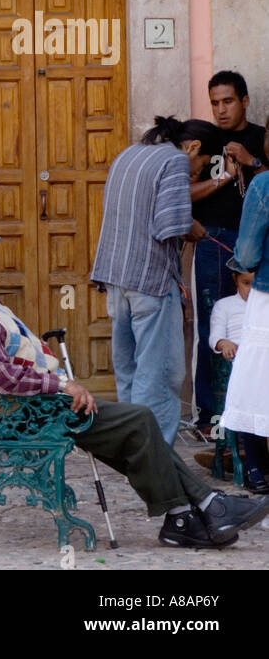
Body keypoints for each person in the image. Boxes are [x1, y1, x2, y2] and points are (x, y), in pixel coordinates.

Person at [0, 218, 269, 548]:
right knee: (137, 422)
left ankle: (191, 514)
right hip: (27, 413)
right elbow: (0, 376)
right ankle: (198, 510)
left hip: (28, 408)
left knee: (135, 428)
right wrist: (62, 385)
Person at [91, 116, 221, 444]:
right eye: (202, 165)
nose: (197, 174)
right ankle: (155, 457)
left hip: (115, 277)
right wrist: (192, 228)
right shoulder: (176, 159)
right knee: (160, 375)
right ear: (194, 147)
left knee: (130, 373)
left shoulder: (129, 154)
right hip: (150, 280)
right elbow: (169, 226)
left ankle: (131, 447)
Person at [190, 71, 267, 433]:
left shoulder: (259, 138)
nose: (221, 110)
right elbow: (184, 192)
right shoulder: (205, 139)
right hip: (214, 241)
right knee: (212, 323)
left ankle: (248, 415)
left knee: (253, 327)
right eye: (215, 103)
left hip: (254, 242)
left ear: (245, 101)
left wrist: (250, 160)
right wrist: (222, 177)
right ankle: (209, 414)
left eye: (228, 101)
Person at [224, 136, 269, 495]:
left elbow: (249, 249)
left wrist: (242, 264)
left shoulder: (264, 185)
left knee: (257, 385)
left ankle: (256, 468)